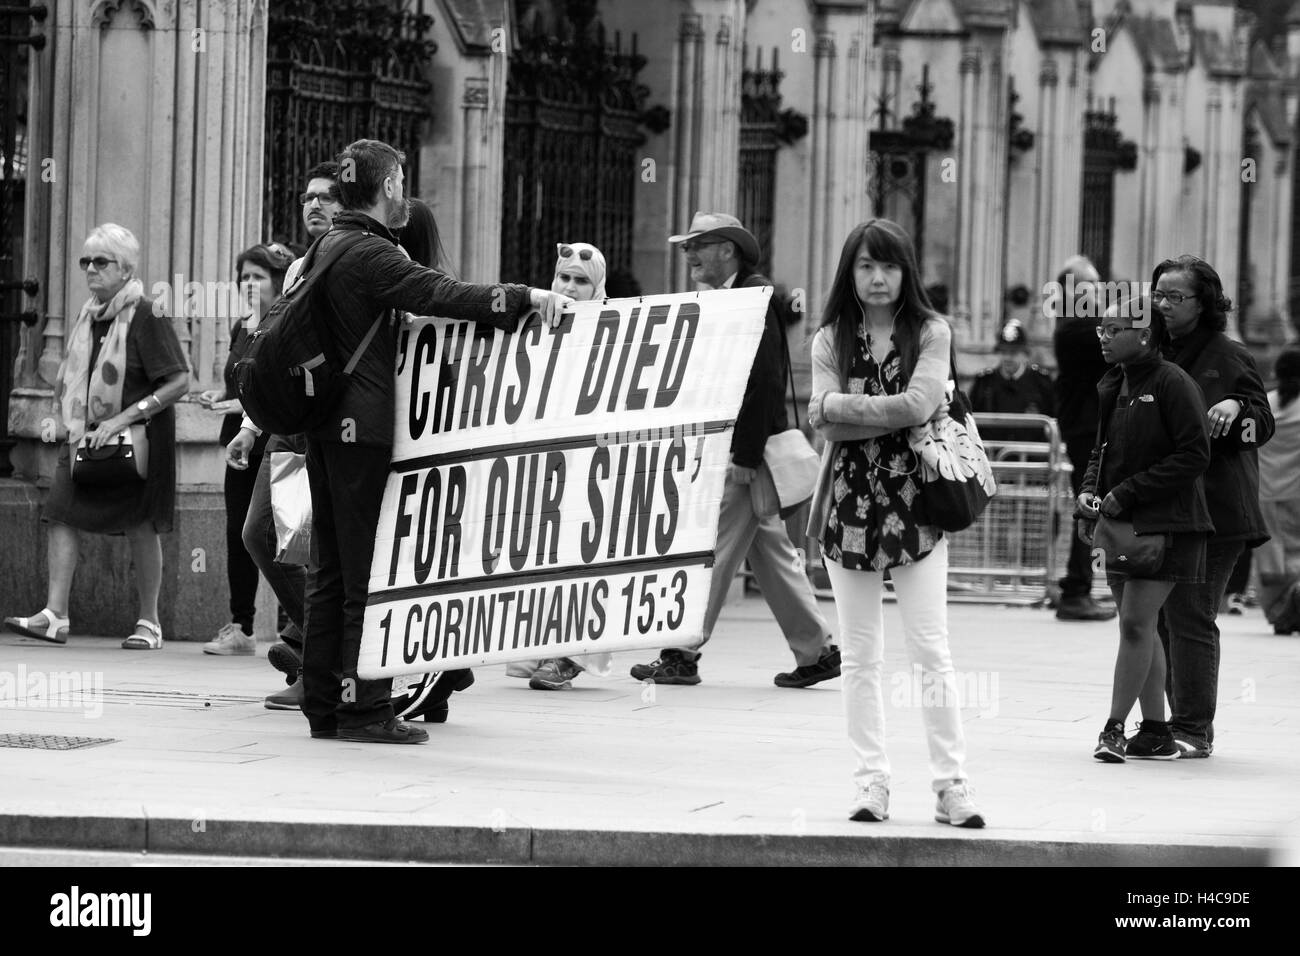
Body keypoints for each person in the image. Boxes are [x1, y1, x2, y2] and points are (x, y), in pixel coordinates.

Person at [299, 138, 571, 745]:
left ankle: (324, 705)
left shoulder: (327, 245)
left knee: (333, 572)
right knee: (365, 576)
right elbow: (445, 294)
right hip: (361, 431)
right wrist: (527, 297)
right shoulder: (369, 252)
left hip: (324, 428)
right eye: (401, 182)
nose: (405, 195)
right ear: (389, 185)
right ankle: (366, 709)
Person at [806, 218, 984, 827]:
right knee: (858, 654)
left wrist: (843, 410)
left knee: (930, 649)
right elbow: (823, 423)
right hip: (847, 506)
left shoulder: (932, 331)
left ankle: (951, 785)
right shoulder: (829, 337)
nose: (877, 278)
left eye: (888, 265)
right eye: (864, 265)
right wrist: (886, 413)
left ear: (906, 271)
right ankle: (870, 783)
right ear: (849, 272)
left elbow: (920, 404)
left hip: (918, 505)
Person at [629, 212, 840, 688]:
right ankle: (817, 651)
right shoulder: (737, 294)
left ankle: (680, 651)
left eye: (697, 246)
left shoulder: (751, 295)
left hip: (749, 451)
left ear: (727, 249)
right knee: (768, 551)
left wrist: (743, 456)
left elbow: (762, 380)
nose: (688, 255)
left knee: (712, 549)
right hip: (745, 448)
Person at [4, 224, 189, 649]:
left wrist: (123, 417)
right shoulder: (87, 315)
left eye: (100, 261)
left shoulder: (148, 313)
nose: (89, 269)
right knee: (60, 511)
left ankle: (150, 622)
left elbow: (179, 381)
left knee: (141, 525)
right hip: (86, 438)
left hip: (138, 438)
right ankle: (55, 615)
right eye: (85, 261)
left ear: (125, 269)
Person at [227, 162, 342, 708]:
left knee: (311, 550)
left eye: (327, 197)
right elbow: (276, 355)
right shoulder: (298, 268)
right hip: (288, 428)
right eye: (306, 197)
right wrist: (251, 427)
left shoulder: (355, 262)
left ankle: (319, 663)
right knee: (264, 537)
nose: (313, 205)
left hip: (333, 430)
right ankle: (316, 648)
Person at [1152, 255, 1274, 758]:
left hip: (1217, 510)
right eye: (1158, 293)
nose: (1162, 304)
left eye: (1174, 296)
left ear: (1205, 304)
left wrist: (1238, 406)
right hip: (1164, 505)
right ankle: (1173, 721)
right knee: (1159, 615)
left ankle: (1193, 729)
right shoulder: (1150, 351)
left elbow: (1262, 424)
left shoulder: (1229, 355)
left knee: (1191, 612)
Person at [1080, 299, 1212, 763]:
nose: (1104, 335)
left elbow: (1195, 454)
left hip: (1170, 526)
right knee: (1138, 625)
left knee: (1137, 622)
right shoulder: (1114, 383)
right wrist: (1088, 493)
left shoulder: (1173, 383)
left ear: (1146, 336)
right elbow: (1102, 450)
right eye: (1102, 327)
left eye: (1115, 328)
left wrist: (1129, 491)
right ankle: (1155, 731)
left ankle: (1113, 728)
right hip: (1122, 525)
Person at [505, 242, 616, 690]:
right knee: (541, 550)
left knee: (586, 554)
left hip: (594, 460)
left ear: (598, 287)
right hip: (545, 458)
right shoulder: (535, 325)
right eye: (563, 277)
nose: (569, 287)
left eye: (581, 280)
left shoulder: (617, 328)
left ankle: (572, 655)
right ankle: (537, 645)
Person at [200, 241, 295, 656]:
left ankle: (294, 627)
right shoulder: (242, 325)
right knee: (239, 532)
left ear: (278, 281)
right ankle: (242, 626)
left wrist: (243, 405)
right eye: (244, 277)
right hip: (240, 439)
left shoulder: (288, 321)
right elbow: (241, 382)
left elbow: (281, 385)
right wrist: (219, 396)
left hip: (279, 436)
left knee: (290, 535)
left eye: (258, 276)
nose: (249, 284)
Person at [1051, 255, 1117, 622]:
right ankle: (1075, 590)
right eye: (1089, 284)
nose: (1098, 289)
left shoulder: (1084, 325)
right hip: (1086, 431)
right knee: (1090, 505)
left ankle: (1080, 586)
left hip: (1091, 428)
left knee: (1095, 505)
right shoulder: (1077, 328)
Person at [1255, 348, 1300, 635]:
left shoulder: (1266, 405)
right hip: (1296, 492)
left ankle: (1281, 613)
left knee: (1271, 558)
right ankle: (1293, 604)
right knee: (1297, 553)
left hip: (1264, 492)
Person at [968, 317, 1055, 443]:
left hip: (1032, 457)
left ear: (1024, 353)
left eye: (1013, 352)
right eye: (1004, 352)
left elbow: (1053, 421)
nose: (1007, 358)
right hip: (992, 457)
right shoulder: (984, 382)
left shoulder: (1041, 382)